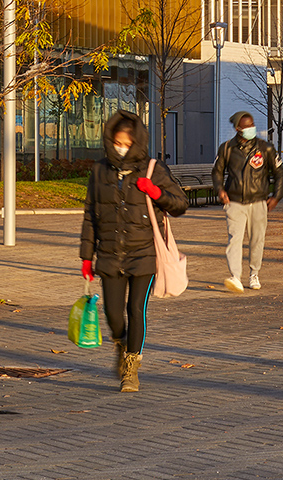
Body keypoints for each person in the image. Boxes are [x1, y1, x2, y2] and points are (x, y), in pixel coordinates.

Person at [79, 110, 188, 393]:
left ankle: (131, 367)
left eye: (127, 144)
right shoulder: (100, 171)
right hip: (110, 253)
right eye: (117, 143)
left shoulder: (153, 169)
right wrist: (86, 256)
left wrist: (155, 192)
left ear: (137, 142)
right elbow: (90, 214)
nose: (122, 148)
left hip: (144, 253)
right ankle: (122, 343)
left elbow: (180, 204)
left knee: (135, 308)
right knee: (113, 315)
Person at [211, 111, 283, 293]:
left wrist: (276, 196)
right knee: (234, 240)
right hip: (235, 202)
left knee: (257, 240)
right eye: (247, 126)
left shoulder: (265, 148)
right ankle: (235, 277)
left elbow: (279, 173)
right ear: (238, 129)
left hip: (258, 202)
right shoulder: (226, 148)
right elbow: (217, 172)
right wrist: (220, 190)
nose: (252, 128)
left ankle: (254, 274)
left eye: (252, 125)